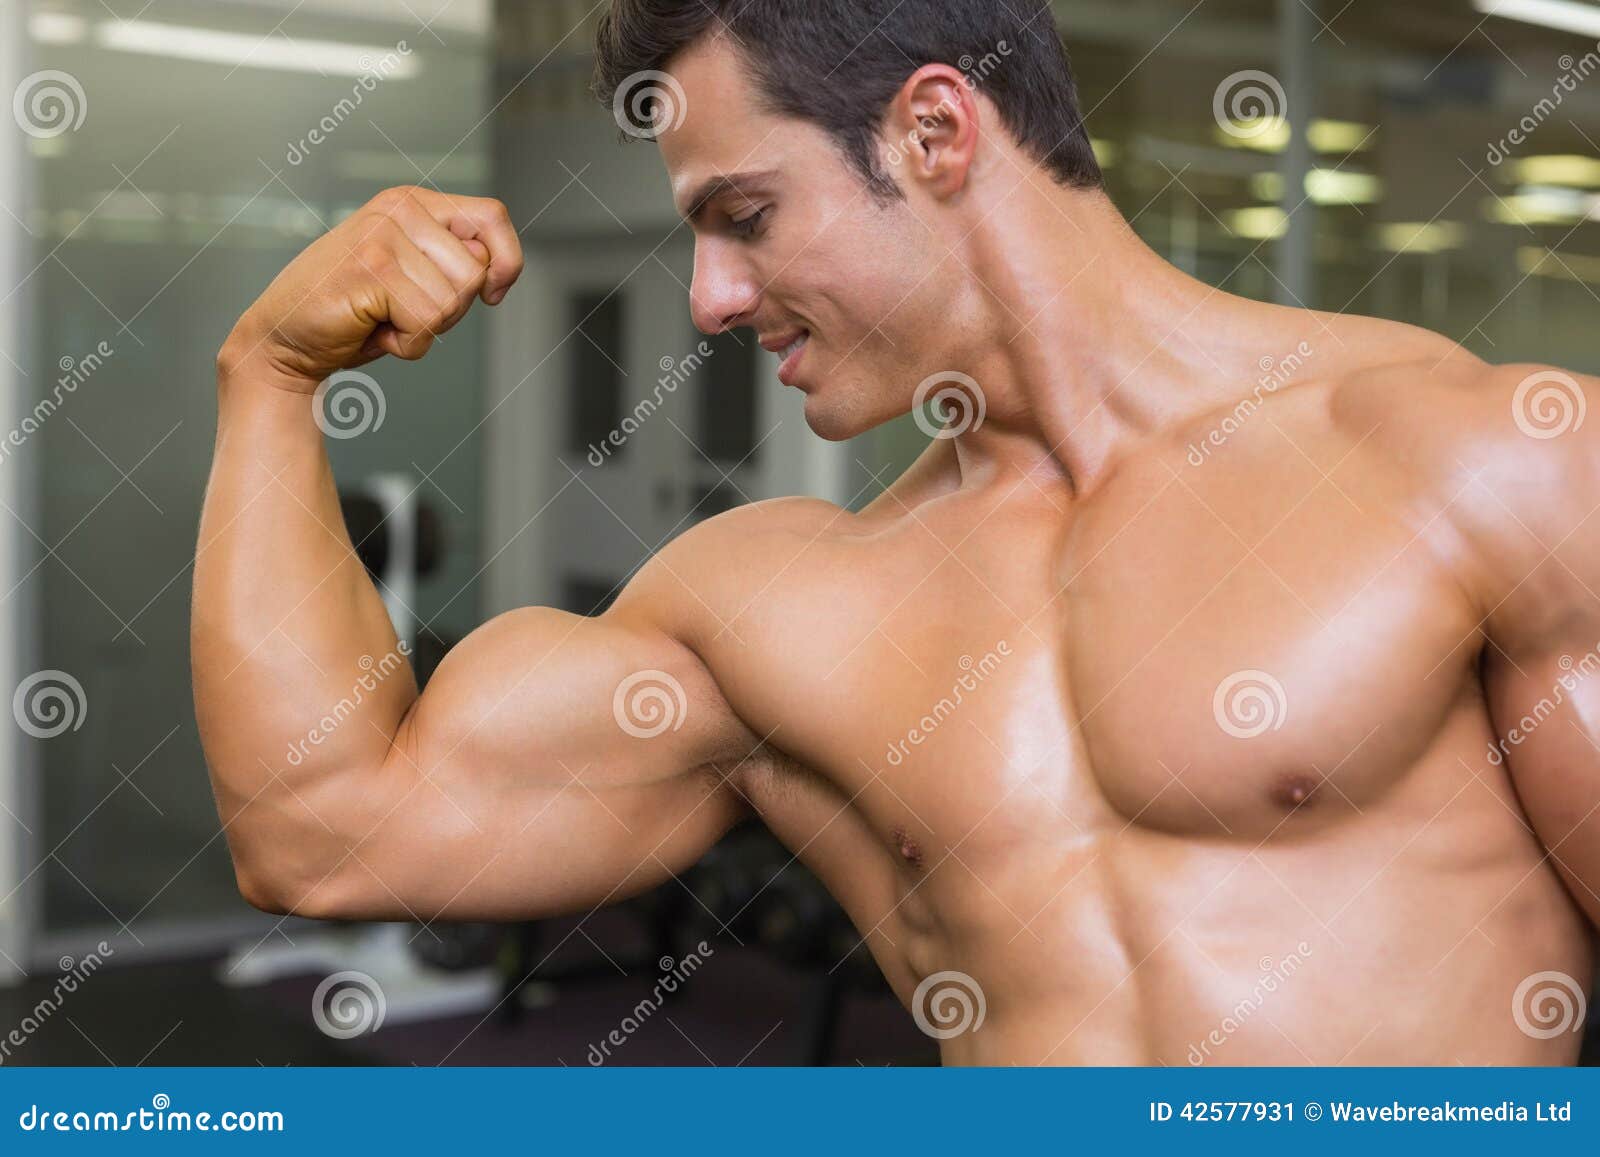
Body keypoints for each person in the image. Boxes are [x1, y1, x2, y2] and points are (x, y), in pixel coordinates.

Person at [192, 0, 1600, 1065]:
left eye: (745, 217)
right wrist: (268, 377)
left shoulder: (1478, 462)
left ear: (936, 132)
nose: (711, 301)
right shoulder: (775, 606)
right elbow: (324, 833)